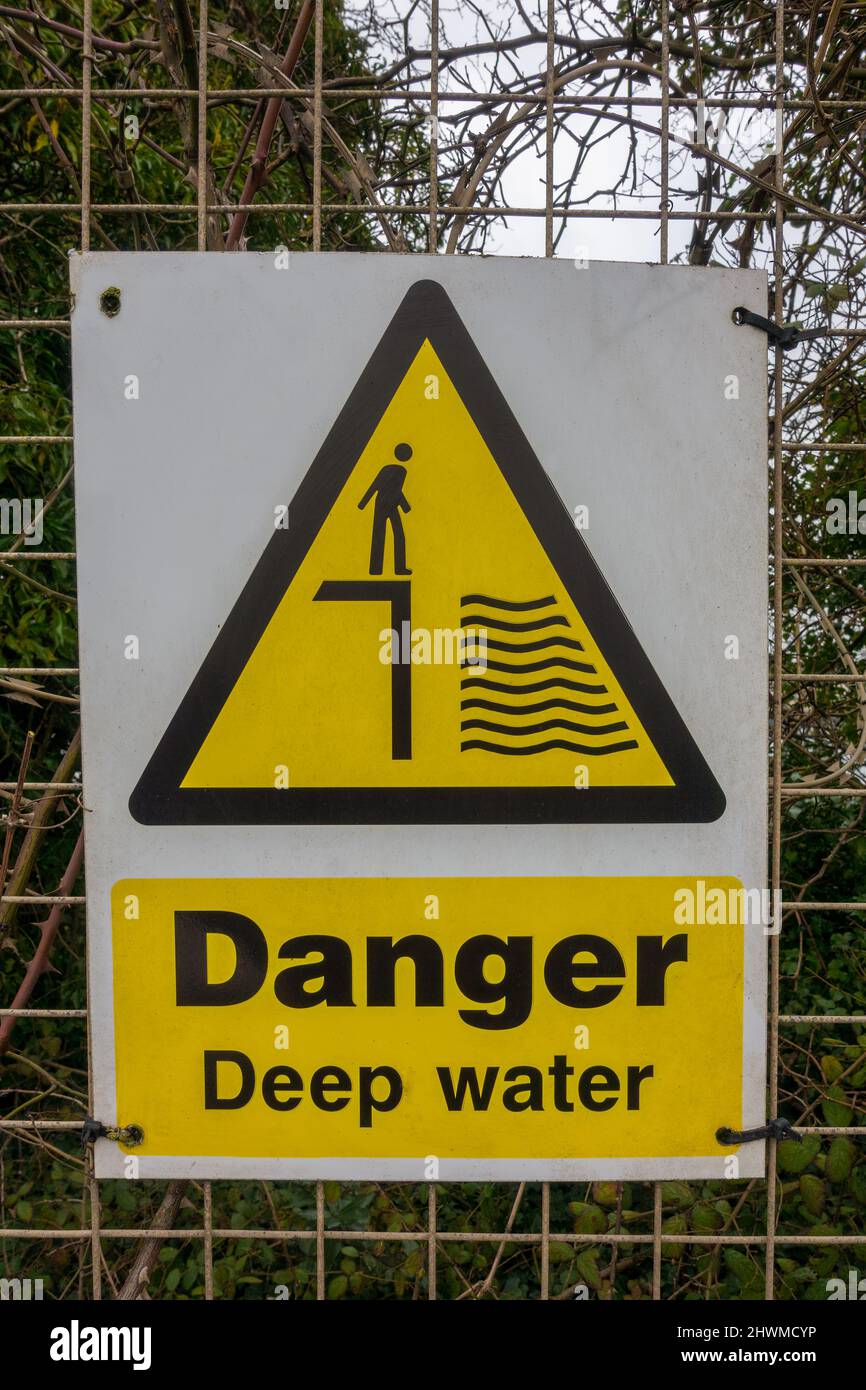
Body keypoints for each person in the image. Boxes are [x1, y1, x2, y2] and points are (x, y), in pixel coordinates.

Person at [358, 443, 413, 575]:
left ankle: (398, 569)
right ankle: (376, 569)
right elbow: (375, 486)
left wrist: (405, 507)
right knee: (380, 535)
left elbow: (395, 490)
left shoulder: (401, 471)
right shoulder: (395, 471)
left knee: (398, 535)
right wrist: (362, 503)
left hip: (391, 505)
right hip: (382, 505)